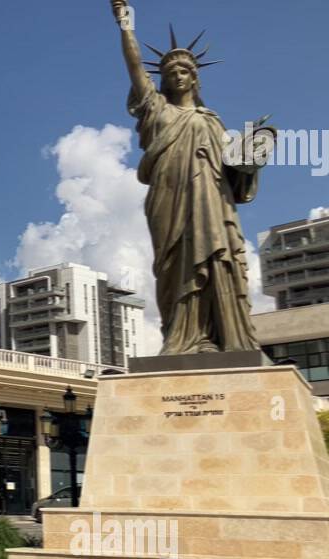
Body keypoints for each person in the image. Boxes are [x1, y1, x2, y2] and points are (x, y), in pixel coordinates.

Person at [109, 0, 266, 355]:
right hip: (168, 200)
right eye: (169, 72)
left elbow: (237, 171)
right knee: (173, 268)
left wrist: (254, 154)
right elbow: (134, 66)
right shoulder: (156, 108)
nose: (175, 76)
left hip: (211, 202)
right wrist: (125, 24)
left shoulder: (211, 120)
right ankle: (182, 338)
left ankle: (218, 338)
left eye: (183, 71)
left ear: (194, 77)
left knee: (216, 259)